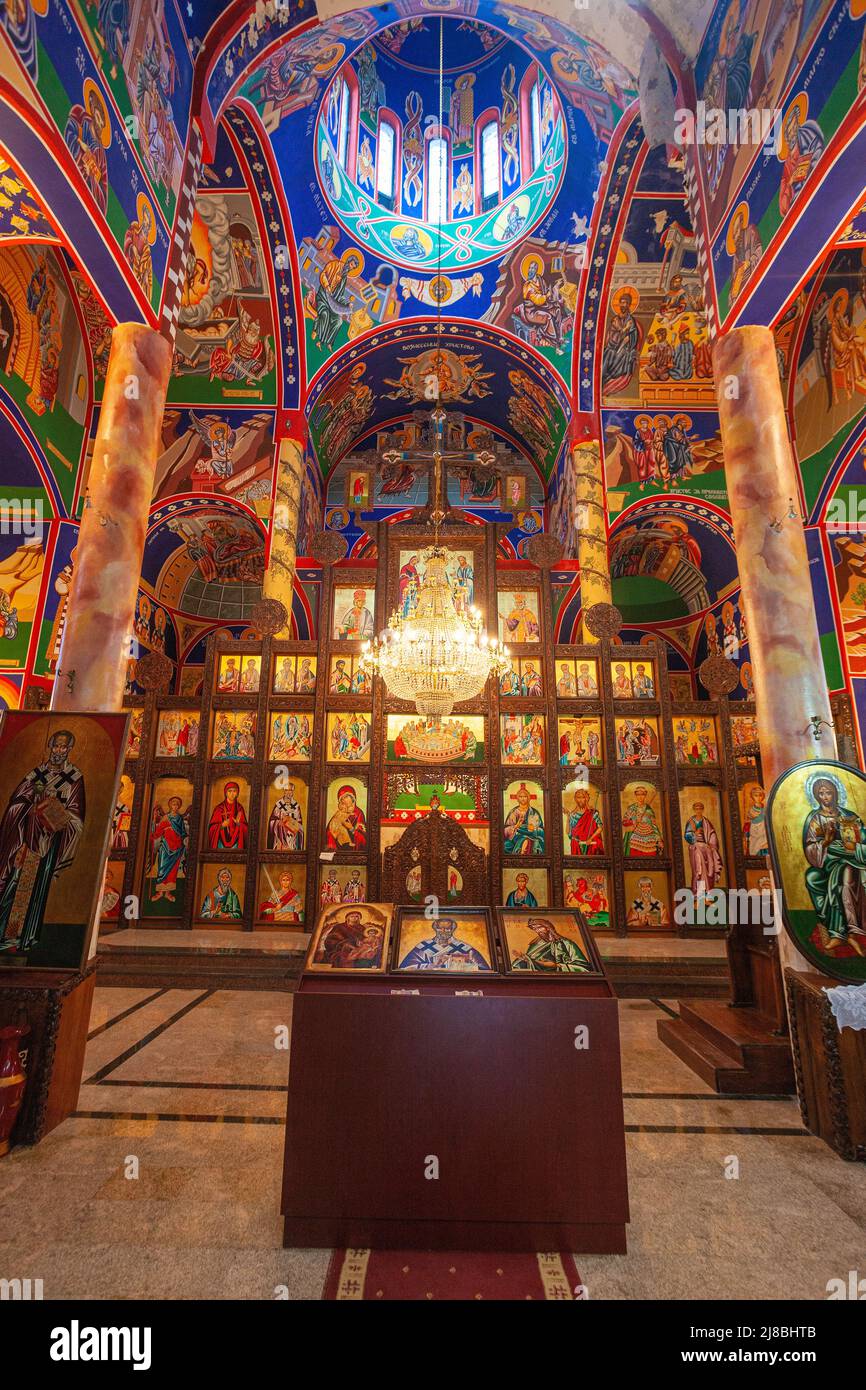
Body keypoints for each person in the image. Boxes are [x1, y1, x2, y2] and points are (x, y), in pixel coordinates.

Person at [0, 729, 85, 951]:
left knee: (35, 891)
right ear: (50, 746)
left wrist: (57, 815)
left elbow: (77, 817)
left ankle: (23, 937)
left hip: (48, 845)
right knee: (13, 882)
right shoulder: (34, 774)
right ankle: (6, 935)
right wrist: (31, 808)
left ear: (69, 749)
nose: (59, 751)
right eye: (56, 746)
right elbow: (15, 805)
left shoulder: (75, 778)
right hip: (24, 840)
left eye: (64, 747)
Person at [803, 777, 866, 955]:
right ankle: (839, 931)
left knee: (845, 873)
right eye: (821, 793)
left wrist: (854, 847)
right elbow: (810, 847)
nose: (825, 797)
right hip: (827, 862)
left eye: (828, 792)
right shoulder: (814, 819)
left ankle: (849, 932)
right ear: (815, 795)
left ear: (835, 793)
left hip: (852, 859)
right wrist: (825, 843)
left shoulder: (849, 816)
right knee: (812, 877)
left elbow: (863, 839)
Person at [399, 917, 491, 971]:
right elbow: (404, 969)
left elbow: (485, 970)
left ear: (452, 929)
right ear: (435, 928)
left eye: (447, 929)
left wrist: (469, 966)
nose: (443, 932)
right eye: (440, 928)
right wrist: (431, 966)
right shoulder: (423, 947)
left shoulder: (465, 948)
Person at [511, 917, 590, 973]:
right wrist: (525, 958)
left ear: (548, 927)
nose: (537, 931)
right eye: (535, 929)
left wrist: (557, 966)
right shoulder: (536, 944)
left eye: (539, 928)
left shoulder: (567, 944)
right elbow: (532, 962)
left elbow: (583, 968)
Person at [683, 801, 723, 897]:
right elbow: (687, 835)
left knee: (709, 870)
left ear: (703, 809)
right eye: (696, 808)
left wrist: (711, 845)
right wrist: (695, 834)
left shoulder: (706, 821)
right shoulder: (691, 821)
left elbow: (712, 834)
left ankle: (708, 892)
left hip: (707, 849)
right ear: (694, 809)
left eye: (700, 808)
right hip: (696, 848)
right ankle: (699, 893)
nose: (698, 810)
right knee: (698, 870)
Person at [503, 783, 545, 855]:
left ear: (528, 798)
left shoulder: (534, 812)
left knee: (534, 842)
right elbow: (505, 830)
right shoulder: (513, 812)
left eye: (525, 796)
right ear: (517, 798)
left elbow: (542, 831)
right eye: (520, 796)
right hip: (516, 836)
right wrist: (516, 826)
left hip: (532, 835)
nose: (523, 798)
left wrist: (534, 829)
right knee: (505, 846)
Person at [622, 786, 664, 857]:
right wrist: (634, 821)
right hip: (635, 836)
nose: (640, 797)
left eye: (642, 794)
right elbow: (624, 822)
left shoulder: (649, 809)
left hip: (649, 837)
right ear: (635, 795)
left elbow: (653, 825)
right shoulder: (632, 808)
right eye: (638, 794)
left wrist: (659, 839)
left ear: (645, 796)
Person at [207, 782, 248, 852]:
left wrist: (238, 824)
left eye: (234, 791)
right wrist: (221, 825)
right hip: (220, 842)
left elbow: (246, 828)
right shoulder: (219, 808)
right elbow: (211, 828)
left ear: (237, 793)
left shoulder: (239, 808)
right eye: (230, 791)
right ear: (225, 793)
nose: (232, 794)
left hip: (236, 842)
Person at [326, 785, 367, 850]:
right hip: (338, 849)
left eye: (349, 804)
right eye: (344, 803)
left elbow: (363, 839)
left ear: (353, 801)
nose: (347, 806)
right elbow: (329, 832)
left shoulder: (359, 814)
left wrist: (351, 828)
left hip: (352, 851)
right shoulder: (339, 813)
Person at [567, 787, 604, 856]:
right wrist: (568, 817)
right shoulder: (573, 814)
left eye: (582, 797)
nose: (580, 800)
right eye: (578, 798)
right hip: (577, 845)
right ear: (576, 799)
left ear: (586, 799)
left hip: (591, 844)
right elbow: (569, 833)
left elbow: (600, 827)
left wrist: (591, 838)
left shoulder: (593, 813)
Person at [267, 784, 304, 851]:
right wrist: (279, 823)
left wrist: (294, 825)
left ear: (293, 792)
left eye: (290, 790)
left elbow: (299, 823)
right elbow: (272, 822)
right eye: (287, 790)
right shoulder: (278, 805)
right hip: (280, 837)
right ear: (284, 791)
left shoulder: (296, 806)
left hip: (292, 837)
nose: (289, 792)